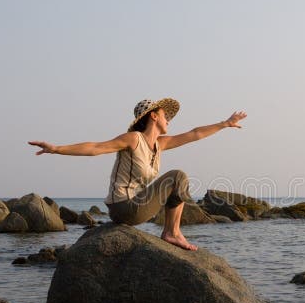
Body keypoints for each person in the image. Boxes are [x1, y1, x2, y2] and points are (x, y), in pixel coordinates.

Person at [29, 98, 246, 251]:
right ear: (153, 116)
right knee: (177, 176)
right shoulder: (133, 139)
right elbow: (96, 148)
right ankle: (171, 232)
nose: (168, 119)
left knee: (177, 181)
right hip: (124, 206)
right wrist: (57, 149)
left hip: (136, 206)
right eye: (164, 115)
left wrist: (225, 124)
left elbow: (194, 134)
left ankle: (172, 231)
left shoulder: (160, 144)